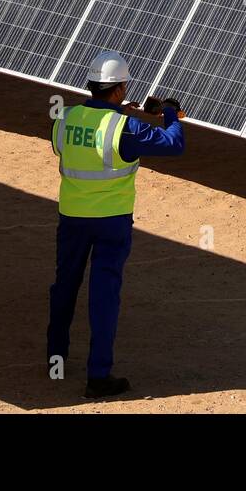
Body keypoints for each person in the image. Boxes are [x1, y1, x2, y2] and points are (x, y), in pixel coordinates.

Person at [47, 50, 186, 398]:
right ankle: (98, 376)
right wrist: (170, 113)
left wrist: (123, 113)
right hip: (111, 222)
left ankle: (56, 358)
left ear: (92, 85)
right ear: (120, 89)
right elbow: (174, 143)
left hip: (72, 217)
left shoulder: (65, 118)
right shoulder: (127, 127)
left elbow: (79, 138)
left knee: (64, 285)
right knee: (103, 294)